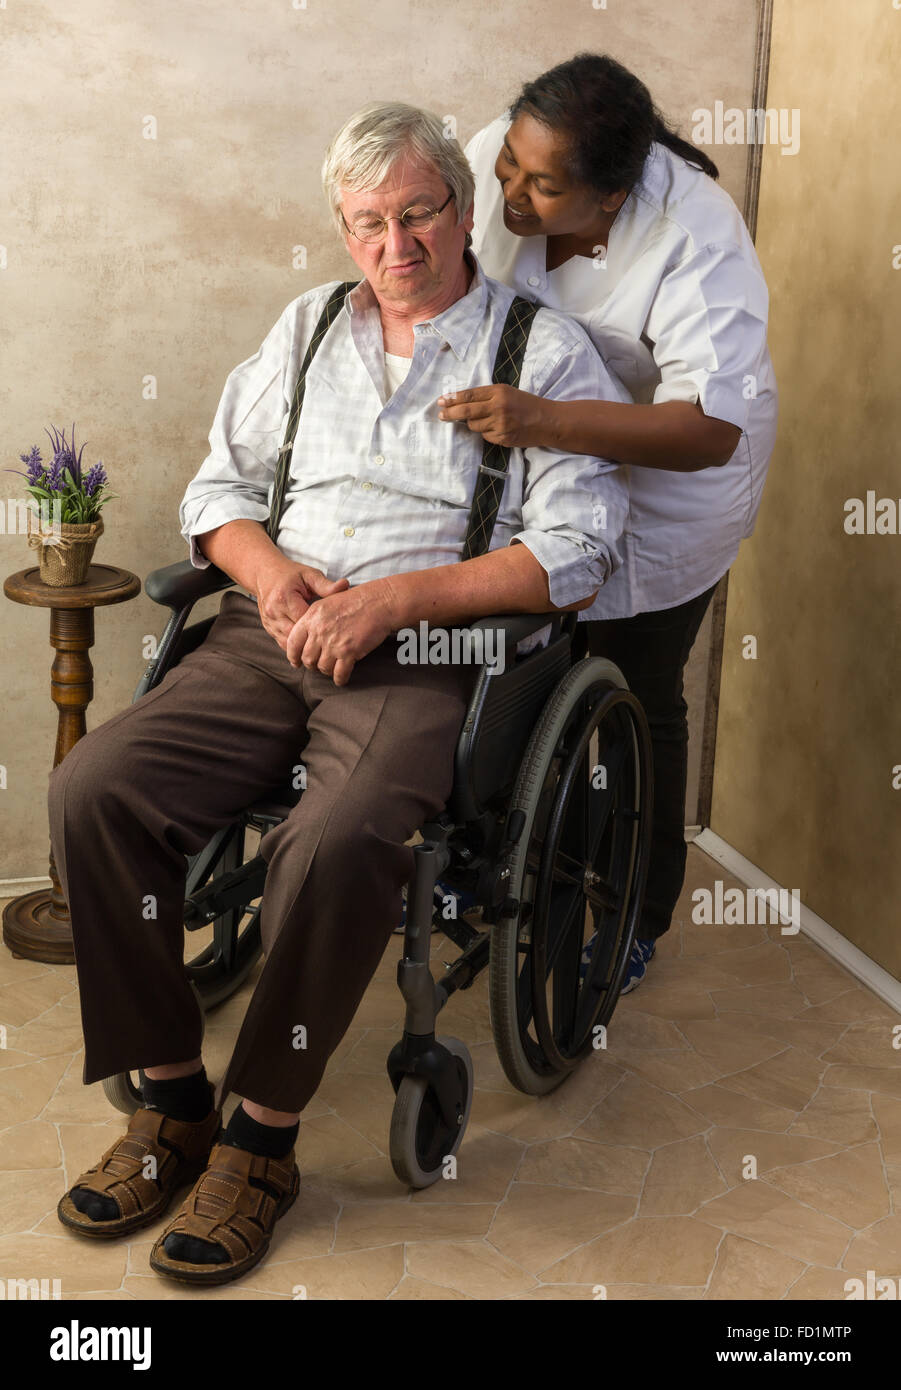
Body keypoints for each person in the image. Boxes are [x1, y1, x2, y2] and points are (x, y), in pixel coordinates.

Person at [47, 101, 630, 1287]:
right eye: (367, 222)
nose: (394, 244)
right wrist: (269, 578)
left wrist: (399, 600)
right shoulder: (308, 326)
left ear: (461, 213)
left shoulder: (542, 352)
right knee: (91, 788)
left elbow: (581, 546)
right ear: (342, 229)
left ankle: (261, 1141)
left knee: (342, 832)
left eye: (417, 213)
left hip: (432, 655)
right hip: (280, 630)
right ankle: (169, 1102)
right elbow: (218, 489)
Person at [440, 52, 778, 992]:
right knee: (525, 681)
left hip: (671, 493)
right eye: (510, 163)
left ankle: (631, 913)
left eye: (543, 186)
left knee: (633, 695)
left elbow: (710, 428)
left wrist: (541, 418)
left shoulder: (694, 232)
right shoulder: (499, 165)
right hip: (544, 478)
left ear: (616, 194)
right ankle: (526, 874)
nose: (510, 191)